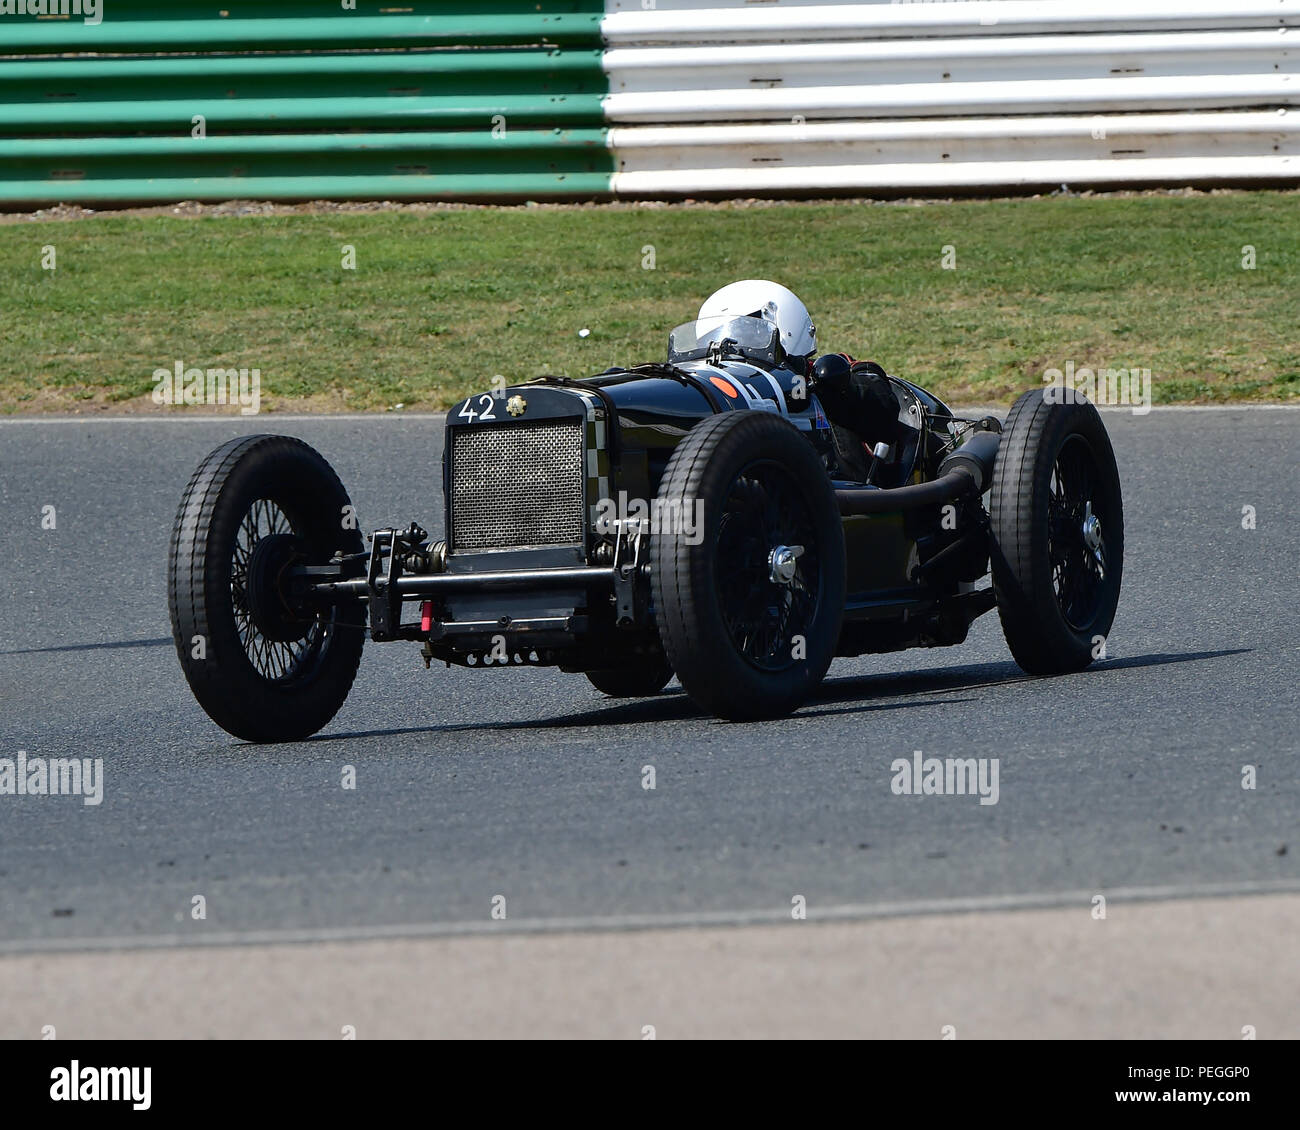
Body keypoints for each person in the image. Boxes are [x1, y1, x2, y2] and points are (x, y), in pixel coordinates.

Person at [698, 280, 899, 478]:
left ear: (784, 327)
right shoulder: (717, 389)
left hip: (837, 498)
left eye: (746, 336)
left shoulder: (834, 374)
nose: (732, 351)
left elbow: (883, 412)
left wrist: (828, 387)